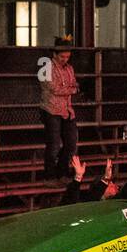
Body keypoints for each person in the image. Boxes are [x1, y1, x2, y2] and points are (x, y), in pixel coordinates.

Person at [39, 35, 80, 181]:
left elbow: (71, 85)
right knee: (54, 145)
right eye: (62, 56)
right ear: (54, 54)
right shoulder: (46, 67)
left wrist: (68, 88)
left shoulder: (69, 68)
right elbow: (54, 88)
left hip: (67, 110)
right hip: (51, 110)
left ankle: (62, 173)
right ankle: (50, 175)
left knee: (70, 144)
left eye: (67, 56)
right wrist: (72, 89)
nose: (65, 59)